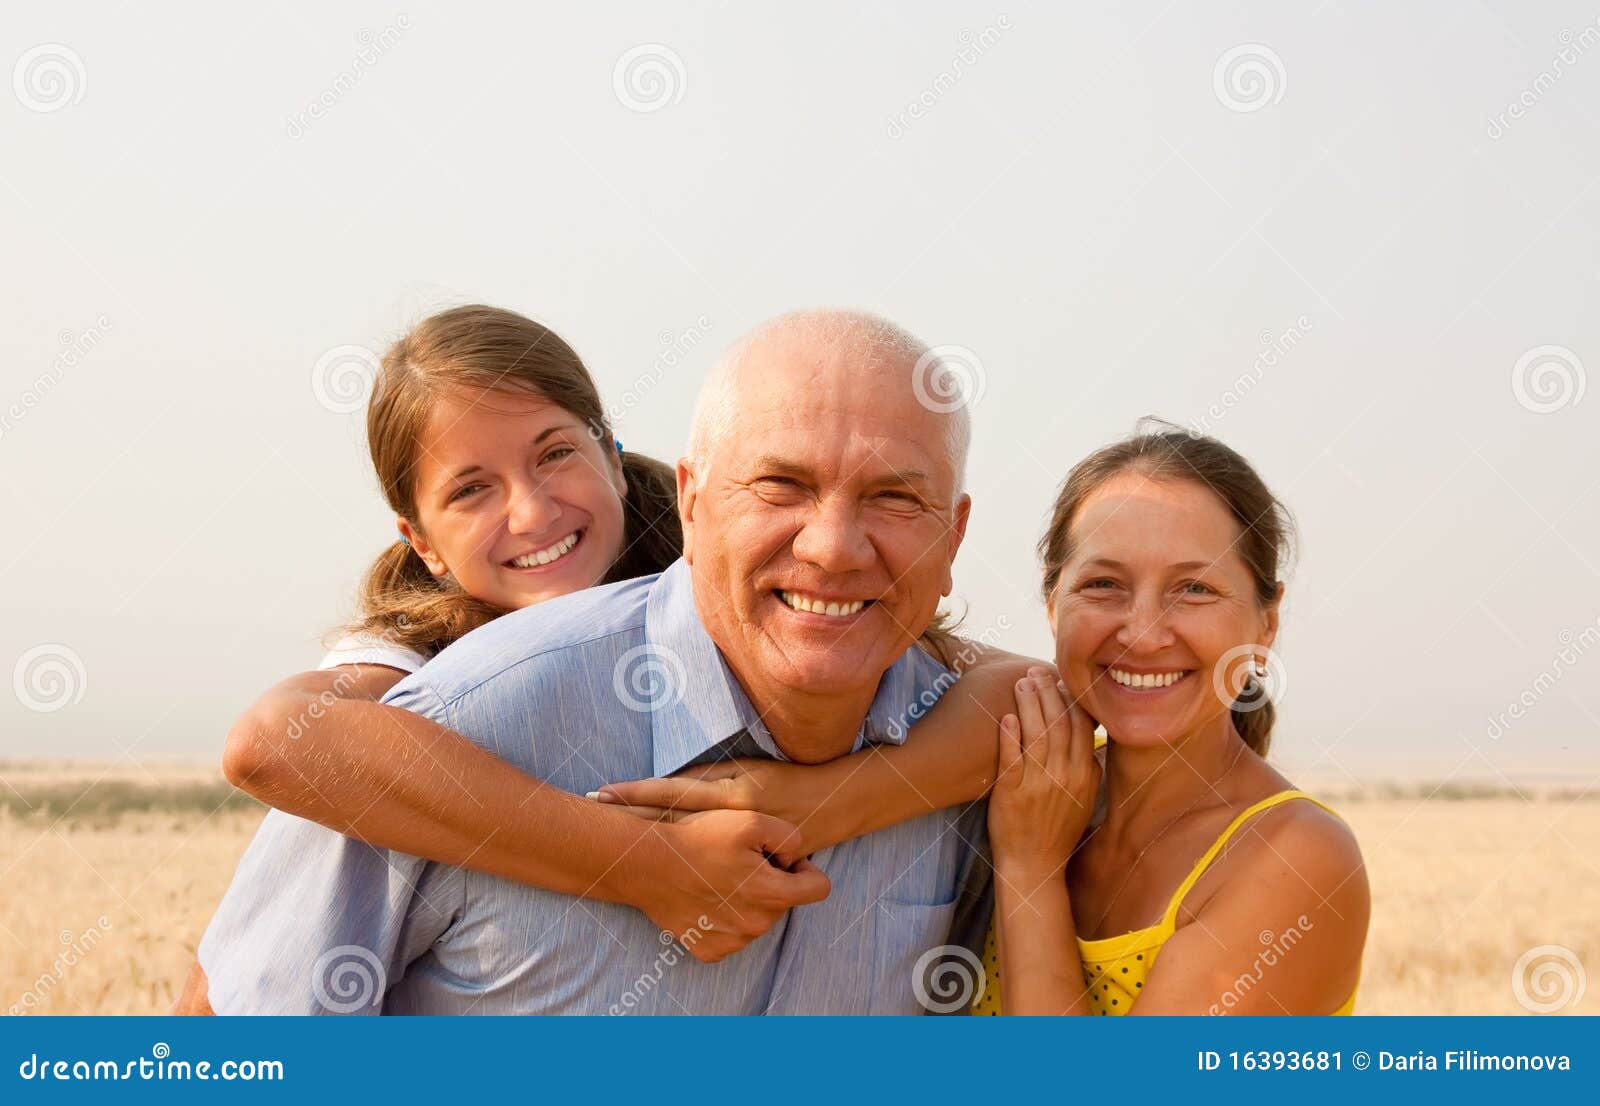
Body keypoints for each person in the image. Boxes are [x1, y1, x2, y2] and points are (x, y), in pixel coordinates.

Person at [176, 304, 1028, 1014]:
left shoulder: (935, 719)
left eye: (893, 497)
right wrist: (648, 864)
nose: (533, 512)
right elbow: (277, 743)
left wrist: (834, 801)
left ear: (617, 465)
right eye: (782, 486)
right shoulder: (434, 704)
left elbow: (1030, 686)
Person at [971, 427, 1369, 1015]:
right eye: (1103, 584)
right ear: (1054, 604)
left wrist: (1029, 869)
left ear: (1266, 622)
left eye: (1195, 589)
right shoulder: (1018, 777)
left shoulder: (1295, 860)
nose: (1144, 633)